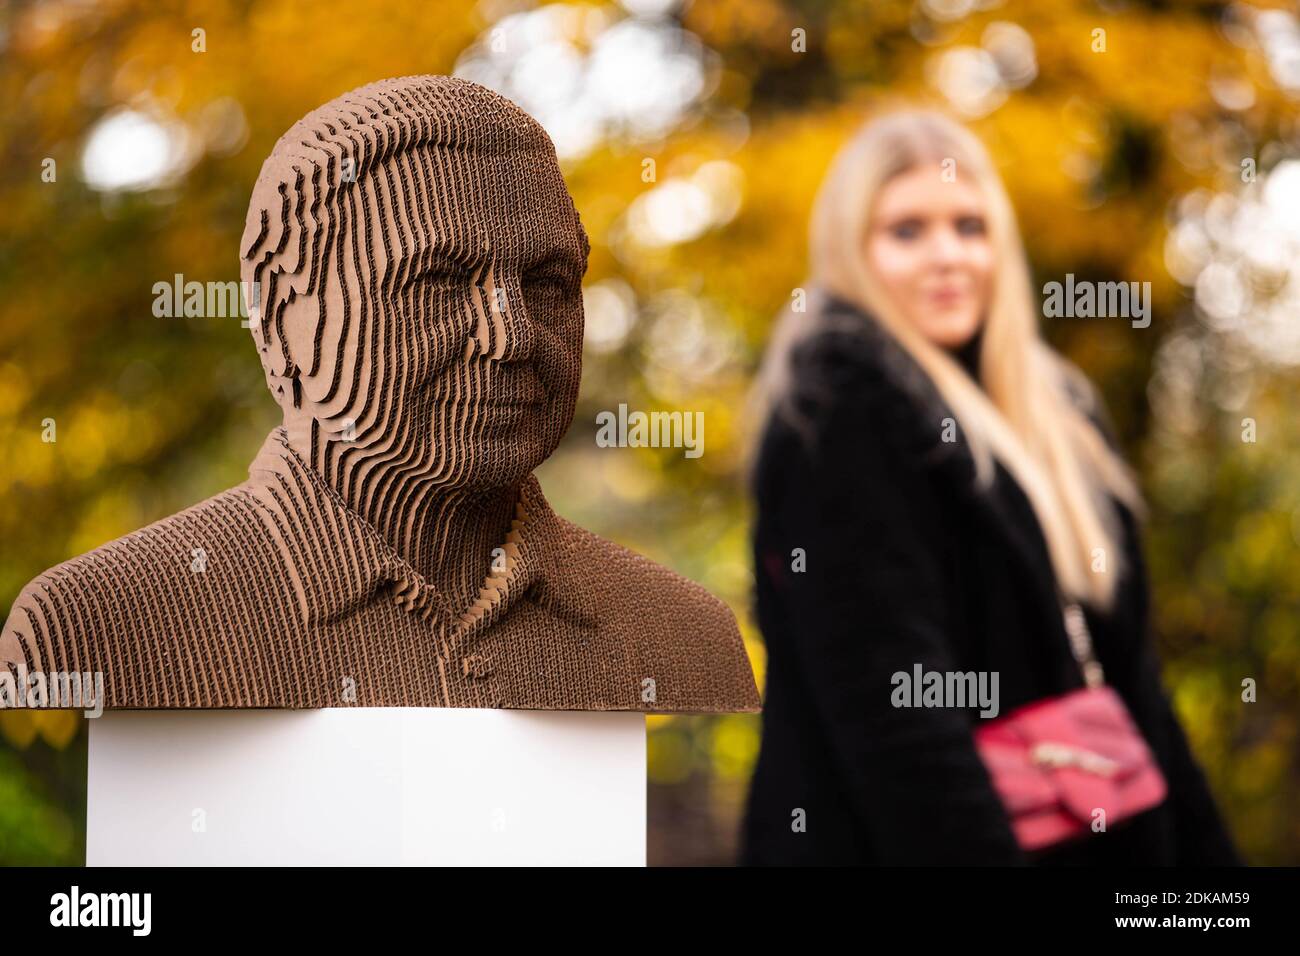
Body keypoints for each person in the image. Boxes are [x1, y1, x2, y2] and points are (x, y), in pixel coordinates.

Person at [739, 109, 1240, 865]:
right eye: (906, 231)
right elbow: (899, 722)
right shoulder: (838, 411)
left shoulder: (1058, 413)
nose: (947, 256)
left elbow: (1137, 688)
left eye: (969, 227)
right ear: (851, 251)